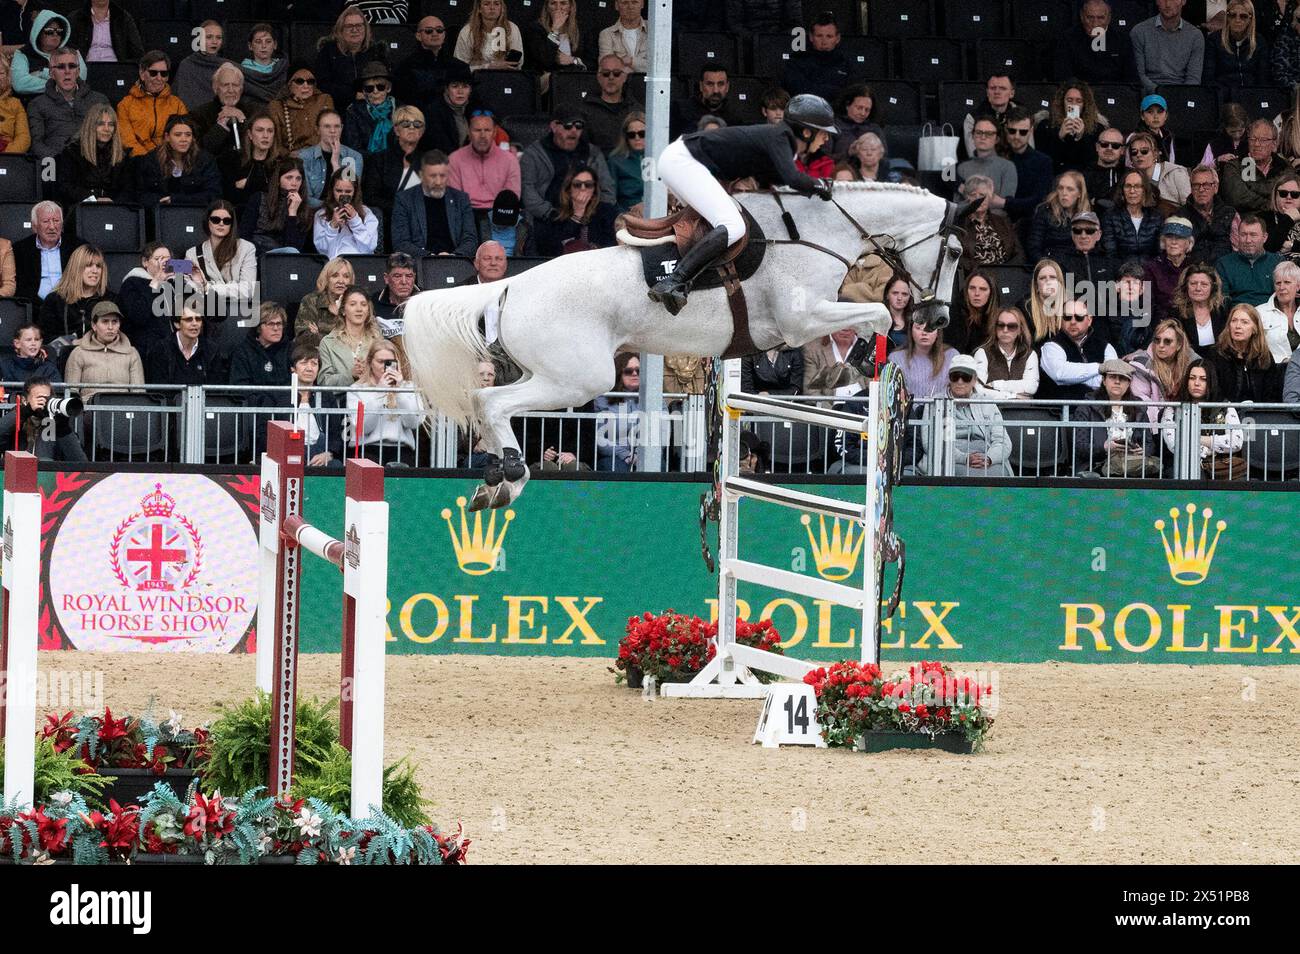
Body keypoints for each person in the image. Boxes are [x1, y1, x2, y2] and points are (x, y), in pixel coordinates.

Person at [646, 93, 835, 315]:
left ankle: (694, 281)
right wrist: (820, 185)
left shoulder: (782, 142)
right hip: (683, 162)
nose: (826, 140)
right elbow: (793, 179)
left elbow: (775, 180)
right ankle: (674, 281)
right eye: (824, 133)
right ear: (806, 131)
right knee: (733, 226)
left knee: (729, 219)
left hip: (683, 161)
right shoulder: (780, 136)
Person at [916, 354, 1014, 477]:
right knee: (962, 474)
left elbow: (1003, 440)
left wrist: (989, 458)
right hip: (949, 459)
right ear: (949, 378)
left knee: (1000, 474)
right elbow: (930, 442)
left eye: (966, 377)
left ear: (974, 379)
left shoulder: (987, 402)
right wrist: (964, 458)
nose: (960, 382)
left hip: (986, 457)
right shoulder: (936, 402)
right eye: (955, 377)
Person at [519, 105, 616, 224]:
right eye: (568, 125)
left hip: (588, 217)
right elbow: (528, 191)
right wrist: (550, 213)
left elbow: (608, 190)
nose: (574, 130)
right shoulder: (533, 154)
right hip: (548, 218)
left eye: (579, 126)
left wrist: (592, 213)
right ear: (554, 126)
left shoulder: (593, 153)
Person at [185, 198, 258, 349]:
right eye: (216, 219)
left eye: (226, 220)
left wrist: (209, 288)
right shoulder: (192, 253)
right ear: (208, 221)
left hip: (238, 312)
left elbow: (249, 290)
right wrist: (230, 287)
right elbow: (190, 287)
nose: (221, 224)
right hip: (208, 314)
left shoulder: (246, 248)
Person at [1074, 359, 1162, 477]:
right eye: (1112, 377)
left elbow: (1149, 443)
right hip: (1096, 466)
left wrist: (1142, 451)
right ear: (1104, 381)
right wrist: (1104, 447)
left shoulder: (1138, 408)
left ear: (1129, 383)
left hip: (1131, 465)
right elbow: (1080, 446)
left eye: (1122, 378)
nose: (1117, 382)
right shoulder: (1086, 408)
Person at [1163, 359, 1246, 478]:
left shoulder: (1225, 406)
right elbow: (1173, 444)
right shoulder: (1173, 408)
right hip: (1185, 467)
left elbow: (1236, 442)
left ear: (1211, 382)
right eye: (1192, 378)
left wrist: (1194, 438)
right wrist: (1207, 451)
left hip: (1221, 467)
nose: (1196, 383)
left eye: (1203, 379)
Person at [348, 339, 423, 467]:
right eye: (380, 362)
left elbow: (413, 423)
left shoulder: (409, 387)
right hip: (368, 448)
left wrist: (399, 391)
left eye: (389, 362)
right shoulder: (356, 389)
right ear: (370, 362)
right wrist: (379, 392)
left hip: (402, 449)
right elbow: (364, 427)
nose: (385, 367)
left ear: (397, 363)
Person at [26, 46, 108, 162]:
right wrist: (60, 162)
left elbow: (110, 137)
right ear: (51, 73)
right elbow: (36, 144)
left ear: (78, 71)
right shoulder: (37, 104)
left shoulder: (99, 100)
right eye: (61, 67)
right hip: (56, 165)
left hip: (93, 164)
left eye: (72, 66)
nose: (67, 71)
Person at [449, 109, 521, 237]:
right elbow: (454, 200)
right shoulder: (454, 159)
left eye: (487, 130)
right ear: (469, 132)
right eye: (477, 130)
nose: (482, 135)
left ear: (494, 132)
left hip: (499, 216)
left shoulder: (510, 160)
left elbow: (512, 198)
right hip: (466, 216)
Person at [391, 149, 477, 257]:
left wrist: (454, 257)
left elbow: (470, 239)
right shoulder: (404, 200)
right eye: (433, 176)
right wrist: (430, 257)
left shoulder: (461, 199)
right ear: (421, 175)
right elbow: (400, 242)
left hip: (455, 261)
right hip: (419, 263)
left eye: (442, 176)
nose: (438, 182)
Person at [363, 104, 428, 239]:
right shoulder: (379, 159)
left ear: (422, 131)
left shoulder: (429, 161)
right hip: (388, 222)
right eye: (405, 124)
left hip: (423, 223)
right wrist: (400, 209)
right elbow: (370, 196)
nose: (411, 127)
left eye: (417, 124)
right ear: (396, 130)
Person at [130, 114, 221, 208]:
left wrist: (175, 200)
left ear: (193, 138)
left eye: (188, 135)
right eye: (178, 135)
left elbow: (213, 195)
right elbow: (140, 194)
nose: (184, 139)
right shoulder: (151, 160)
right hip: (159, 215)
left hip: (195, 215)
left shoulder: (205, 160)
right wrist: (160, 201)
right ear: (167, 137)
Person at [38, 243, 109, 360]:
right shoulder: (55, 300)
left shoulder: (110, 300)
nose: (95, 271)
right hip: (63, 361)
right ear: (76, 267)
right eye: (88, 265)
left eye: (98, 266)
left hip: (101, 361)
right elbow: (44, 340)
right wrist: (74, 341)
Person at [1038, 296, 1119, 399]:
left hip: (1096, 412)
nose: (1073, 321)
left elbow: (1111, 382)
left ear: (1089, 320)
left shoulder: (1106, 347)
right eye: (1067, 317)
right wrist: (1099, 368)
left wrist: (1072, 379)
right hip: (1057, 412)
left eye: (1079, 317)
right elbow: (1059, 374)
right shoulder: (1051, 346)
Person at [63, 299, 143, 402]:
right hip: (89, 411)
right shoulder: (79, 353)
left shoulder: (131, 353)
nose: (110, 327)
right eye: (105, 321)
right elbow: (71, 394)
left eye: (115, 321)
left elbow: (139, 395)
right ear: (94, 325)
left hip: (123, 411)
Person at [315, 5, 389, 112]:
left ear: (365, 28)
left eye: (359, 25)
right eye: (349, 26)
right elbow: (323, 85)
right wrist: (353, 95)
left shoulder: (376, 52)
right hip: (337, 110)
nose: (355, 30)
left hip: (373, 108)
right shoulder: (328, 52)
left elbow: (385, 81)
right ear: (340, 30)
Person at [530, 165, 616, 256]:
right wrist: (579, 209)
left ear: (594, 190)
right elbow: (550, 251)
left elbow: (610, 247)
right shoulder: (554, 217)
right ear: (568, 190)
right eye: (577, 185)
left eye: (588, 185)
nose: (583, 188)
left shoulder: (607, 212)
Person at [1208, 302, 1285, 400]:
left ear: (1255, 329)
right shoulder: (1217, 354)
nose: (1238, 326)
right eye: (1234, 321)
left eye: (1244, 322)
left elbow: (1272, 394)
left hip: (1259, 413)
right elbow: (1214, 391)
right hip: (1226, 412)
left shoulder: (1264, 357)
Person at [116, 51, 187, 158]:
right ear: (142, 74)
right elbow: (128, 141)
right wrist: (149, 161)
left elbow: (183, 137)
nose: (159, 78)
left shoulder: (177, 104)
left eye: (163, 74)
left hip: (171, 160)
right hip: (139, 162)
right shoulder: (125, 105)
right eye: (153, 73)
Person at [54, 104, 128, 206]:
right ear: (91, 126)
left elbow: (127, 190)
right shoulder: (72, 152)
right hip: (82, 208)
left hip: (114, 209)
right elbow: (65, 187)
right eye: (101, 124)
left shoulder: (122, 155)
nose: (106, 129)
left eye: (111, 124)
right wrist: (94, 199)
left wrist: (113, 202)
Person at [286, 343, 345, 468]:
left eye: (314, 363)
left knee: (336, 466)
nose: (309, 368)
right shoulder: (281, 396)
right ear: (293, 368)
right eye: (304, 363)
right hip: (288, 453)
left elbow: (336, 434)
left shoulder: (326, 396)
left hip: (320, 454)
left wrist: (328, 454)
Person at [0, 376, 86, 461]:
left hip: (46, 473)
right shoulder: (16, 419)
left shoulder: (55, 424)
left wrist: (63, 428)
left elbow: (79, 461)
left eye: (47, 398)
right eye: (40, 398)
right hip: (18, 472)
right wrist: (25, 412)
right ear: (24, 400)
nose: (44, 402)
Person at [241, 156, 315, 254]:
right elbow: (244, 235)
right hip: (256, 254)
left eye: (298, 179)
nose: (294, 183)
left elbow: (294, 248)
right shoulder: (259, 198)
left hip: (284, 259)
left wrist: (292, 213)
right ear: (278, 180)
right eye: (289, 178)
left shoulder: (305, 210)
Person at [118, 242, 182, 353]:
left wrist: (200, 283)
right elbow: (138, 316)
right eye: (158, 259)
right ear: (145, 262)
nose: (163, 264)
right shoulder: (132, 282)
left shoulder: (175, 283)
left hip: (172, 349)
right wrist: (156, 282)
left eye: (167, 260)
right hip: (145, 349)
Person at [1125, 318, 1193, 421]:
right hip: (1153, 425)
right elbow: (1142, 401)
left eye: (1167, 341)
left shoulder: (1191, 364)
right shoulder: (1141, 365)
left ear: (1179, 345)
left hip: (1185, 421)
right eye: (1157, 340)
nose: (1161, 345)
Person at [1033, 81, 1107, 176]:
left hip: (1084, 179)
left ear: (1085, 104)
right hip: (1055, 177)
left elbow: (1094, 163)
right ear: (1062, 102)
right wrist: (1059, 137)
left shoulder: (1096, 128)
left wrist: (1081, 138)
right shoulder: (1046, 125)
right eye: (1069, 100)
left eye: (1079, 101)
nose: (1074, 105)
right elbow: (1043, 161)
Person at [1130, 0, 1205, 93]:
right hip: (1148, 94)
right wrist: (1161, 93)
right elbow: (1139, 76)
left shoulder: (1195, 36)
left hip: (1182, 94)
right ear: (1157, 1)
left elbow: (1193, 78)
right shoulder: (1139, 31)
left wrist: (1179, 96)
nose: (1168, 4)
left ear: (1183, 1)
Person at [295, 110, 365, 210]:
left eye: (337, 126)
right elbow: (306, 197)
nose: (333, 131)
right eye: (327, 126)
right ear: (317, 130)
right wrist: (329, 208)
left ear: (342, 128)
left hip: (345, 211)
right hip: (313, 211)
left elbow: (351, 194)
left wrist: (335, 163)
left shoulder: (353, 157)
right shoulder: (304, 157)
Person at [1220, 119, 1292, 213]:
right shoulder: (1234, 166)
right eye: (1252, 139)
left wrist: (1251, 189)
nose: (1257, 144)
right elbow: (1238, 198)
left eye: (1263, 140)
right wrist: (1273, 204)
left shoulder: (1285, 167)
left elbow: (1290, 198)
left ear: (1274, 144)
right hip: (1246, 223)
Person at [1056, 0, 1136, 84]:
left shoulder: (1122, 41)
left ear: (1109, 18)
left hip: (1113, 92)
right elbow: (1063, 75)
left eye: (1101, 18)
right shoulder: (1067, 39)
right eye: (1090, 17)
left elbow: (1131, 78)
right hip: (1081, 92)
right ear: (1082, 16)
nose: (1095, 23)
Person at [319, 286, 384, 387]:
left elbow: (386, 374)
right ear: (343, 310)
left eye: (363, 304)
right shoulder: (328, 343)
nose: (359, 309)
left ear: (368, 311)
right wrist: (350, 375)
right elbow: (324, 381)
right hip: (341, 401)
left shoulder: (378, 340)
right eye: (353, 304)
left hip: (374, 399)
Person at [187, 63, 256, 158]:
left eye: (235, 85)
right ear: (216, 88)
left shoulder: (253, 112)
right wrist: (221, 127)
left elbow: (258, 148)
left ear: (241, 89)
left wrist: (242, 120)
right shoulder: (199, 114)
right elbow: (198, 152)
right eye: (225, 85)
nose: (231, 90)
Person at [13, 201, 77, 303]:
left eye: (56, 221)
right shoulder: (20, 249)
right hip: (35, 307)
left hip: (70, 305)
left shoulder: (77, 247)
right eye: (46, 221)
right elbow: (21, 287)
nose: (52, 227)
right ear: (35, 226)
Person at [219, 111, 282, 216]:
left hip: (270, 219)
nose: (265, 135)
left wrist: (247, 184)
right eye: (260, 130)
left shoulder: (280, 164)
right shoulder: (233, 161)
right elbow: (229, 195)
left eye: (270, 131)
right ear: (250, 134)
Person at [145, 306, 225, 386]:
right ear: (177, 324)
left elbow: (215, 392)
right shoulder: (161, 349)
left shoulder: (212, 350)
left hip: (203, 398)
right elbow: (158, 392)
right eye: (189, 320)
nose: (194, 324)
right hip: (170, 398)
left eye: (198, 319)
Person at [10, 11, 86, 95]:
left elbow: (81, 78)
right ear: (38, 32)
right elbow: (20, 84)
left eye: (59, 31)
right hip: (35, 103)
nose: (55, 34)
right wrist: (61, 84)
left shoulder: (72, 50)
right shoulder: (23, 53)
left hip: (69, 103)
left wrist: (42, 73)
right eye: (49, 31)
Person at [782, 11, 851, 103]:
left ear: (837, 38)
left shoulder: (847, 64)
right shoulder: (796, 62)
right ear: (811, 37)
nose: (824, 41)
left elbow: (853, 95)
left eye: (829, 36)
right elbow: (799, 93)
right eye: (819, 36)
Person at [973, 306, 1039, 399]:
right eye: (1000, 325)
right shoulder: (983, 353)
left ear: (1020, 330)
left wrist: (996, 384)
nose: (1005, 330)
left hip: (1021, 411)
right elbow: (978, 390)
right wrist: (1013, 396)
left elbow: (1031, 386)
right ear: (995, 328)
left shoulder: (1029, 354)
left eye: (1012, 326)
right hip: (990, 410)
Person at [957, 176, 1022, 269]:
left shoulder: (1003, 221)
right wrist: (976, 270)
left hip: (1004, 275)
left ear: (990, 198)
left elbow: (1018, 253)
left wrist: (1009, 271)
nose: (977, 199)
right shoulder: (959, 224)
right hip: (974, 275)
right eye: (973, 194)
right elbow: (956, 257)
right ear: (967, 198)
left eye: (982, 195)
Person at [1216, 214, 1283, 305]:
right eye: (1243, 235)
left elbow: (1284, 296)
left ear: (1265, 237)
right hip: (1238, 314)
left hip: (1270, 313)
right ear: (1238, 236)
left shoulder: (1278, 262)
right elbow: (1223, 299)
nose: (1248, 240)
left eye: (1253, 235)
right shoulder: (1224, 263)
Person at [1178, 164, 1239, 263]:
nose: (1201, 190)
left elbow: (1238, 251)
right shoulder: (1180, 216)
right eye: (1196, 185)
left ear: (1215, 187)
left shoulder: (1230, 214)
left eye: (1206, 185)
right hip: (1192, 272)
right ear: (1191, 188)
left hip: (1223, 272)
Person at [1002, 108, 1055, 222]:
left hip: (1028, 224)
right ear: (1006, 129)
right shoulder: (997, 156)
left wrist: (1004, 203)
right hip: (996, 222)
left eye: (1023, 132)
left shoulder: (1043, 162)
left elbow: (1039, 201)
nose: (1017, 136)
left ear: (1030, 131)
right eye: (1012, 131)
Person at [1205, 0, 1271, 91]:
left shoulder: (1259, 42)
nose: (1237, 20)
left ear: (1250, 19)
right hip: (1222, 96)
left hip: (1252, 96)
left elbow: (1263, 79)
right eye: (1232, 15)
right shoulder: (1214, 40)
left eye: (1243, 16)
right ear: (1227, 17)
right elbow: (1209, 78)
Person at [579, 54, 640, 152]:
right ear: (598, 77)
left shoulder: (636, 110)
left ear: (624, 77)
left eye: (616, 73)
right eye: (606, 73)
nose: (611, 77)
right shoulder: (584, 111)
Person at [270, 62, 334, 155]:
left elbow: (332, 134)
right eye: (300, 81)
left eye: (310, 81)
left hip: (322, 155)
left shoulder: (324, 100)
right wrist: (289, 155)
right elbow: (275, 144)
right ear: (289, 84)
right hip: (292, 160)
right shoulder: (277, 106)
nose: (306, 86)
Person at [312, 169, 379, 257]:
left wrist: (355, 221)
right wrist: (332, 226)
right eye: (339, 191)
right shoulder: (321, 215)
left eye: (348, 191)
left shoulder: (367, 214)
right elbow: (322, 250)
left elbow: (369, 248)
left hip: (359, 264)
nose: (343, 195)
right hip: (333, 265)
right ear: (332, 190)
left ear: (355, 192)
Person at [393, 15, 454, 111]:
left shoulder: (458, 66)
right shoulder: (404, 67)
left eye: (439, 30)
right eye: (429, 31)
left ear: (444, 34)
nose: (435, 34)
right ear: (418, 35)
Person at [1028, 171, 1092, 262]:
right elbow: (1033, 247)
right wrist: (1047, 265)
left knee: (1072, 275)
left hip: (1075, 265)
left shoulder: (1087, 215)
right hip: (1051, 265)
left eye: (1070, 189)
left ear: (1079, 194)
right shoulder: (1045, 211)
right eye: (1061, 188)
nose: (1064, 193)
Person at [228, 301, 291, 394]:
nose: (276, 328)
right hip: (253, 406)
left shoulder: (291, 350)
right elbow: (239, 388)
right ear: (258, 327)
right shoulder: (243, 352)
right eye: (271, 324)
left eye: (279, 324)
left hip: (284, 405)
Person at [887, 317, 957, 399]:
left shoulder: (952, 356)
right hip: (909, 410)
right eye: (919, 328)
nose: (924, 333)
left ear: (938, 332)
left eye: (931, 328)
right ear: (911, 331)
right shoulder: (896, 358)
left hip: (943, 410)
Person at [593, 351, 641, 472]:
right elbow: (599, 438)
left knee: (658, 470)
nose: (635, 374)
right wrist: (625, 454)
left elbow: (661, 432)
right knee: (615, 469)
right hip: (614, 456)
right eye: (629, 371)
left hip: (645, 456)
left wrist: (641, 454)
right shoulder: (603, 399)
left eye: (639, 371)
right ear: (619, 373)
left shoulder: (655, 398)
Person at [524, 0, 589, 87]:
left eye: (563, 3)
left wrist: (573, 60)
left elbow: (592, 61)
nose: (558, 8)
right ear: (547, 7)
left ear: (570, 7)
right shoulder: (536, 28)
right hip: (548, 79)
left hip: (575, 76)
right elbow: (544, 60)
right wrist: (555, 29)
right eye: (553, 3)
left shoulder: (581, 28)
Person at [1144, 218, 1196, 325]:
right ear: (1163, 241)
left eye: (1180, 238)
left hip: (1191, 320)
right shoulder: (1151, 267)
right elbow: (1147, 303)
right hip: (1162, 322)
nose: (1173, 242)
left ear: (1188, 242)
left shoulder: (1195, 267)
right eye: (1169, 237)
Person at [1102, 171, 1164, 259]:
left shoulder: (1156, 216)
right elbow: (1110, 252)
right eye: (1128, 186)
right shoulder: (1111, 216)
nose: (1132, 191)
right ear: (1122, 190)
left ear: (1145, 189)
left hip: (1150, 270)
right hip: (1121, 270)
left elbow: (1159, 252)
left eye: (1137, 186)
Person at [961, 74, 1022, 160]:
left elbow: (1028, 154)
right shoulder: (972, 118)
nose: (997, 92)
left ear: (1012, 93)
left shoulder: (1022, 117)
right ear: (987, 93)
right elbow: (975, 155)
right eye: (993, 88)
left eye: (1002, 88)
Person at [957, 118, 1017, 205]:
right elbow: (958, 204)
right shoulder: (962, 167)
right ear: (972, 136)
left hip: (996, 217)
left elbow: (1006, 204)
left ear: (997, 139)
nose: (983, 137)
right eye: (979, 132)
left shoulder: (1008, 167)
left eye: (989, 134)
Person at [670, 66, 742, 138]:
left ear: (727, 87)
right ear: (701, 86)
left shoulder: (734, 119)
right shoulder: (681, 110)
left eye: (720, 84)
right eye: (710, 84)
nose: (715, 90)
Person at [1174, 263, 1229, 357]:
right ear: (1185, 286)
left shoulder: (1223, 310)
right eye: (1193, 284)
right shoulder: (1176, 313)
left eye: (1204, 284)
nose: (1198, 288)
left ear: (1213, 288)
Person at [1127, 129, 1190, 210]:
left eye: (1144, 151)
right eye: (1134, 152)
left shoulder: (1176, 173)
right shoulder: (1130, 179)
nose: (1138, 155)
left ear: (1155, 154)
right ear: (1131, 159)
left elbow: (1190, 208)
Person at [67, 0, 144, 66]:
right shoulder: (75, 18)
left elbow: (138, 53)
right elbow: (67, 50)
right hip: (85, 70)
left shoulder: (123, 18)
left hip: (116, 70)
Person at [420, 59, 473, 155]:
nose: (460, 92)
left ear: (470, 90)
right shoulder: (433, 112)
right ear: (447, 89)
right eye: (455, 86)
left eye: (465, 86)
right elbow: (440, 147)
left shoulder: (473, 109)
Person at [1054, 210, 1118, 289]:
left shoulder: (1110, 261)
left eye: (1089, 231)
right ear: (1072, 234)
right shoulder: (1061, 263)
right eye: (1077, 231)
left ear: (1098, 235)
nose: (1083, 236)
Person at [343, 62, 396, 155]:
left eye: (380, 87)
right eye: (369, 88)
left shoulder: (401, 110)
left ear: (388, 88)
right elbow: (353, 147)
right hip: (366, 163)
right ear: (363, 91)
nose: (375, 91)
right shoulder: (353, 112)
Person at [173, 20, 228, 110]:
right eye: (209, 37)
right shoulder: (187, 65)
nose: (214, 41)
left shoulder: (227, 65)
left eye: (218, 37)